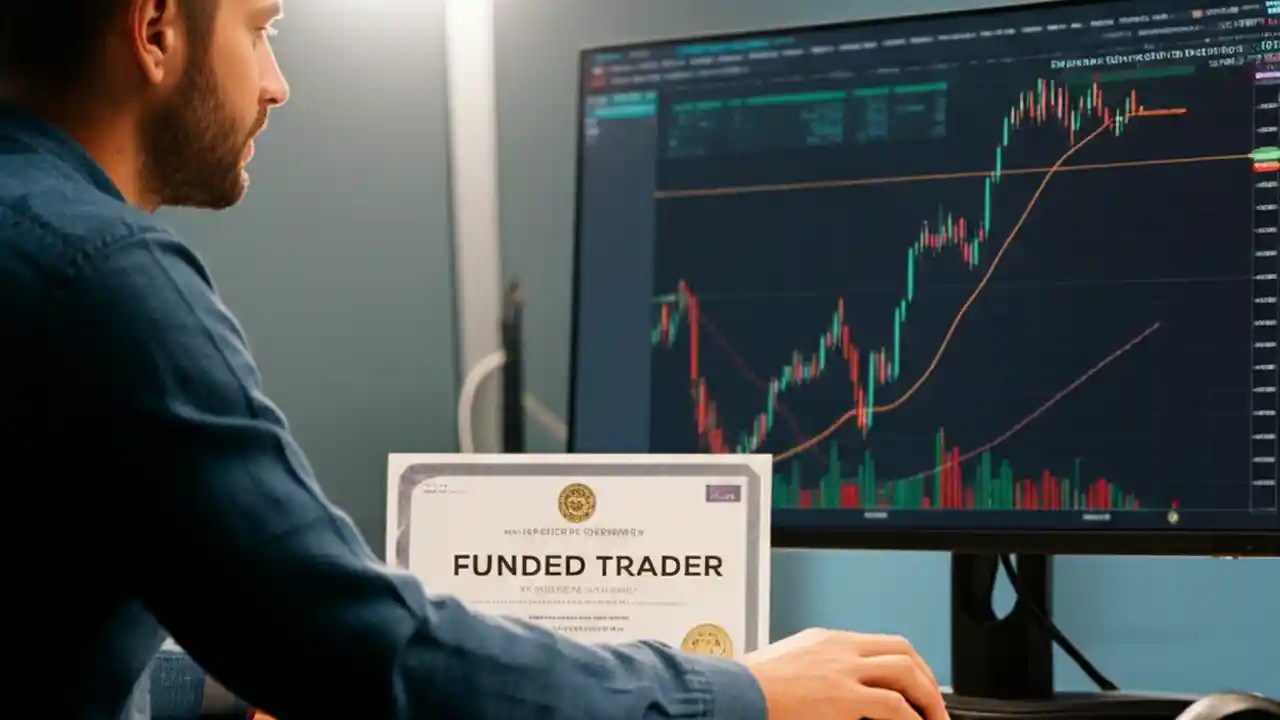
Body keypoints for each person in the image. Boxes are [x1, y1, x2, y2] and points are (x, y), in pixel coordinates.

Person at [0, 1, 950, 718]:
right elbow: (367, 658)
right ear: (157, 27)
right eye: (260, 29)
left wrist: (223, 669)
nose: (277, 82)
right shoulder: (104, 277)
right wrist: (742, 691)